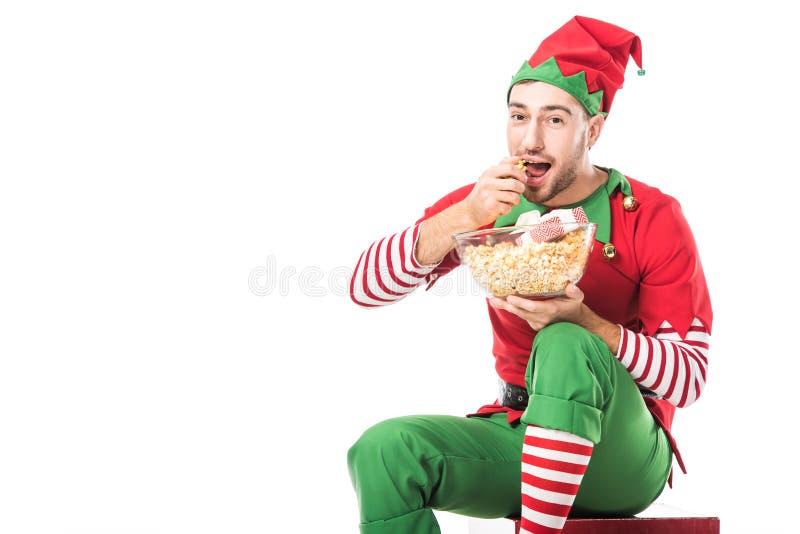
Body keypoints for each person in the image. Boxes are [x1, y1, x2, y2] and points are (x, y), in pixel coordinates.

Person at [347, 15, 712, 534]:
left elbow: (689, 379)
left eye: (555, 120)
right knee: (385, 452)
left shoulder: (650, 214)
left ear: (594, 128)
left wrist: (588, 322)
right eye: (519, 116)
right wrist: (461, 218)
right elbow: (363, 288)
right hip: (524, 431)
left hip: (622, 453)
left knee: (564, 340)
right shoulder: (488, 202)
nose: (530, 141)